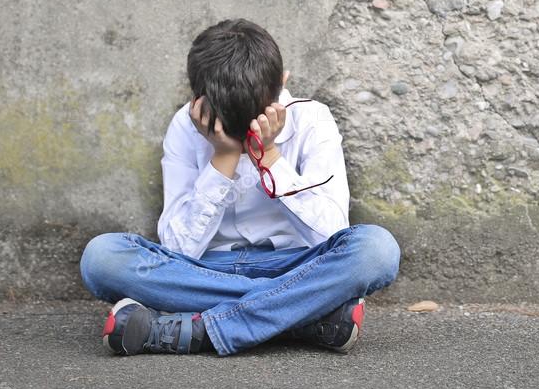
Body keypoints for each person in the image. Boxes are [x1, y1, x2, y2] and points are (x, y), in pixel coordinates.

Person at [79, 18, 401, 355]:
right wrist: (224, 156)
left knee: (376, 250)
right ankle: (301, 313)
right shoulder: (185, 126)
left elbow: (330, 233)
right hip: (205, 270)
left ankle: (205, 329)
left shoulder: (313, 119)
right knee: (102, 258)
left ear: (282, 82)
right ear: (198, 99)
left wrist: (269, 156)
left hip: (296, 264)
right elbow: (178, 247)